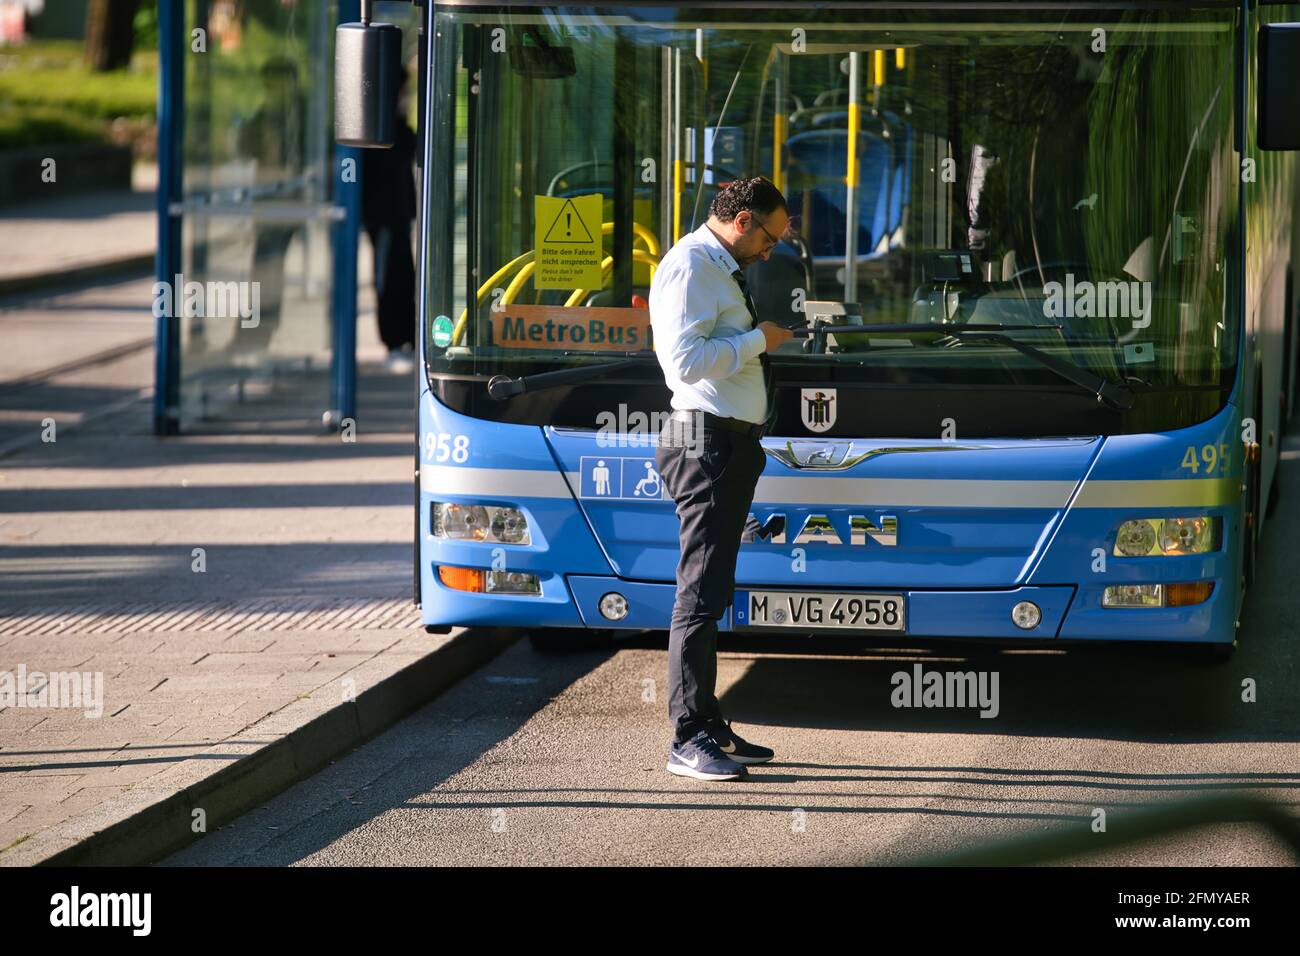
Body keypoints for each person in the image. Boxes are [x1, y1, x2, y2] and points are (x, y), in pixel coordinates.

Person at [649, 177, 794, 781]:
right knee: (699, 590)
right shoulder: (690, 267)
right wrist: (760, 340)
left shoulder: (716, 265)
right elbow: (682, 361)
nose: (771, 250)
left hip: (727, 441)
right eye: (770, 237)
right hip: (702, 440)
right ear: (742, 221)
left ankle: (707, 722)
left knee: (713, 586)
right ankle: (687, 738)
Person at [361, 64, 418, 373]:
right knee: (389, 277)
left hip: (397, 215)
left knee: (403, 274)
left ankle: (405, 339)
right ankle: (394, 341)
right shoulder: (377, 130)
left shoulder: (395, 125)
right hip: (383, 215)